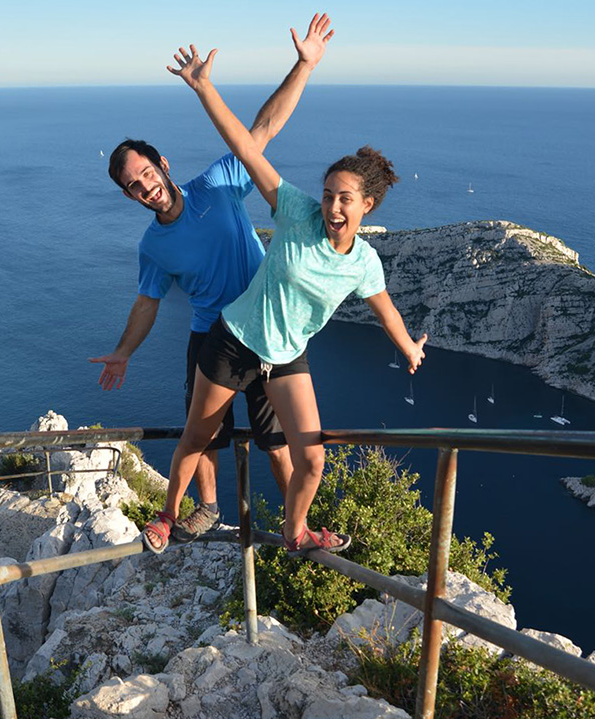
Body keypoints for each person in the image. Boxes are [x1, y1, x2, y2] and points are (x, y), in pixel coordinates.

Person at [141, 42, 427, 555]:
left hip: (284, 355)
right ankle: (167, 516)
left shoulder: (364, 262)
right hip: (233, 340)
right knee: (196, 437)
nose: (332, 206)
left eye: (345, 199)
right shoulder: (296, 212)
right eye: (328, 193)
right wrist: (205, 87)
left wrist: (408, 347)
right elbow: (249, 147)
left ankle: (296, 532)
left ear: (368, 204)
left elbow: (384, 309)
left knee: (310, 458)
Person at [91, 14, 336, 542]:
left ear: (164, 164)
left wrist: (304, 65)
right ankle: (206, 508)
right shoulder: (152, 246)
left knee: (275, 442)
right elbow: (147, 302)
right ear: (129, 196)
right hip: (212, 335)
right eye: (134, 186)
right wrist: (123, 352)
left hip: (267, 325)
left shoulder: (219, 183)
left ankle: (299, 525)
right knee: (201, 435)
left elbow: (264, 129)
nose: (146, 187)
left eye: (147, 174)